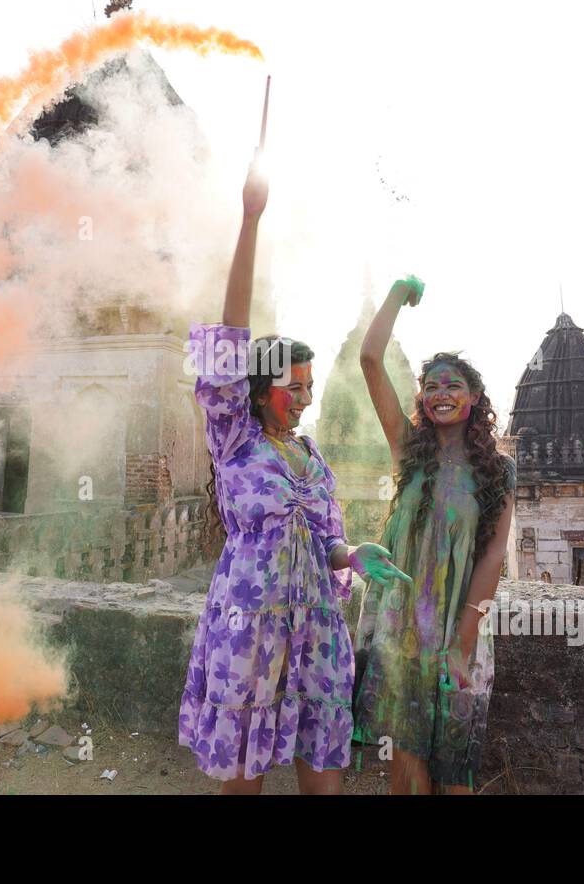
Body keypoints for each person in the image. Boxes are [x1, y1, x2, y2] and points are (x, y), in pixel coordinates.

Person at [177, 162, 405, 794]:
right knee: (243, 770)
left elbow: (325, 542)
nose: (303, 398)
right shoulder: (235, 440)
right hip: (250, 621)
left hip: (317, 623)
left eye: (309, 387)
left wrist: (355, 554)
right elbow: (226, 339)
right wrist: (250, 221)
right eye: (291, 386)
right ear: (256, 389)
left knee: (323, 758)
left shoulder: (314, 458)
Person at [351, 274, 517, 794]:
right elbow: (371, 359)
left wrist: (461, 646)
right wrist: (399, 292)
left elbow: (491, 559)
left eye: (454, 385)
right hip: (402, 625)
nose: (440, 394)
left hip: (457, 629)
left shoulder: (498, 471)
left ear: (475, 398)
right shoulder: (408, 450)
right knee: (406, 762)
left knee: (454, 768)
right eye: (431, 386)